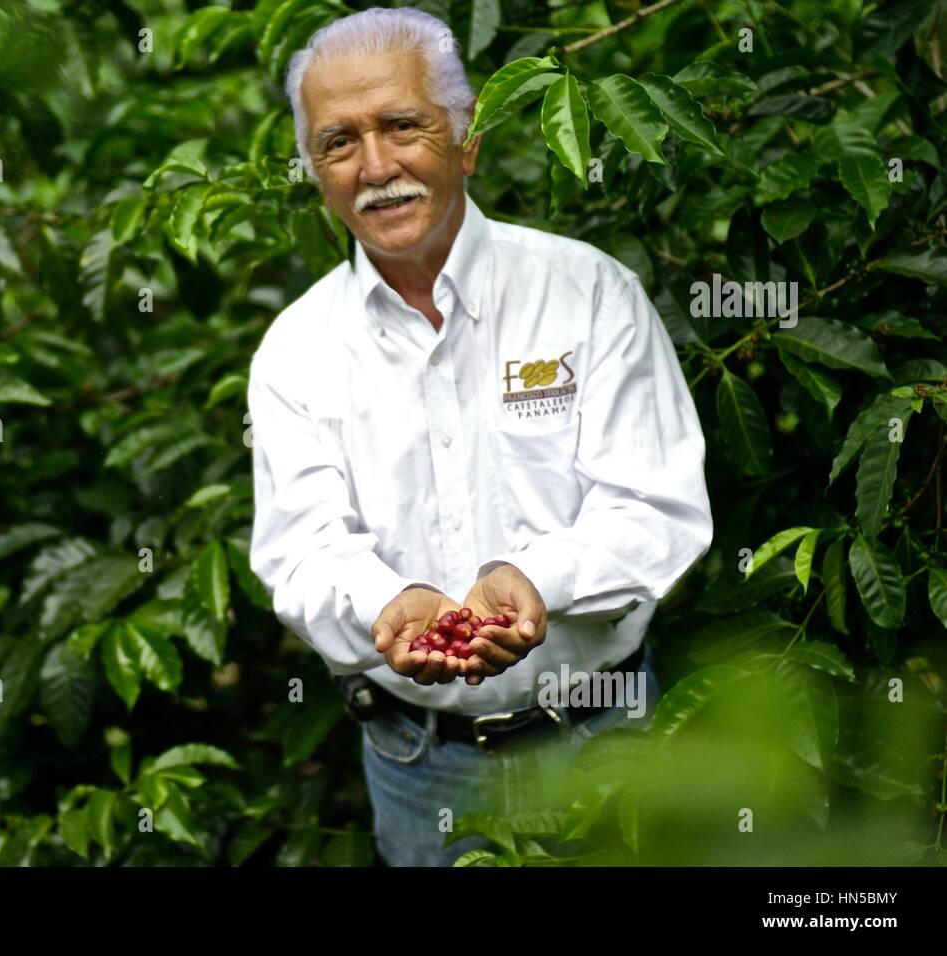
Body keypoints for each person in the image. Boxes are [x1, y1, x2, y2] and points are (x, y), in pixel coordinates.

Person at [246, 6, 713, 866]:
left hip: (604, 737)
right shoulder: (297, 350)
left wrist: (534, 578)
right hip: (417, 762)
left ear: (466, 140)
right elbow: (301, 552)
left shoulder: (590, 294)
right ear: (314, 170)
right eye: (339, 142)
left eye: (401, 126)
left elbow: (657, 509)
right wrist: (388, 604)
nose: (376, 167)